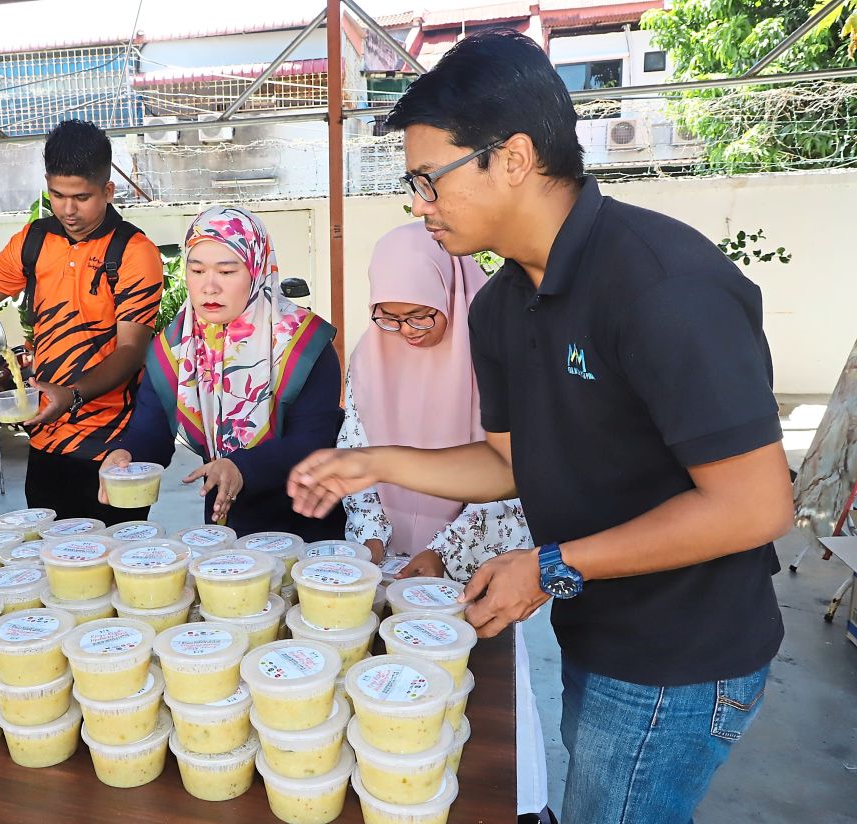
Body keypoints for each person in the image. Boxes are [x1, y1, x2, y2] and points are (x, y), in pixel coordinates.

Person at [287, 29, 790, 824]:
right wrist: (377, 461)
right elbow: (509, 462)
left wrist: (549, 565)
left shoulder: (663, 286)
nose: (420, 206)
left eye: (430, 180)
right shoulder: (500, 308)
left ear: (512, 158)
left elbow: (755, 507)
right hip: (599, 628)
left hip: (683, 655)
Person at [340, 222, 550, 821]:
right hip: (391, 565)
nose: (404, 333)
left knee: (473, 707)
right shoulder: (369, 351)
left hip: (477, 564)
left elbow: (519, 474)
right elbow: (357, 446)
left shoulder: (499, 349)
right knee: (397, 707)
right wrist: (372, 537)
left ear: (451, 296)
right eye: (389, 316)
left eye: (420, 317)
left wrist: (441, 554)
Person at [0, 119, 164, 523]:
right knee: (53, 558)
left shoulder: (134, 252)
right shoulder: (33, 240)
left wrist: (74, 394)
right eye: (57, 195)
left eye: (81, 197)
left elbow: (133, 351)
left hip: (112, 444)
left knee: (117, 562)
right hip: (45, 438)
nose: (68, 209)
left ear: (108, 191)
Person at [101, 205, 344, 539]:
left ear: (257, 271)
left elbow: (312, 441)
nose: (209, 287)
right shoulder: (175, 347)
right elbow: (150, 431)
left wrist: (241, 466)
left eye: (227, 272)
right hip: (224, 522)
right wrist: (126, 455)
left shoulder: (302, 344)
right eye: (197, 271)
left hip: (303, 524)